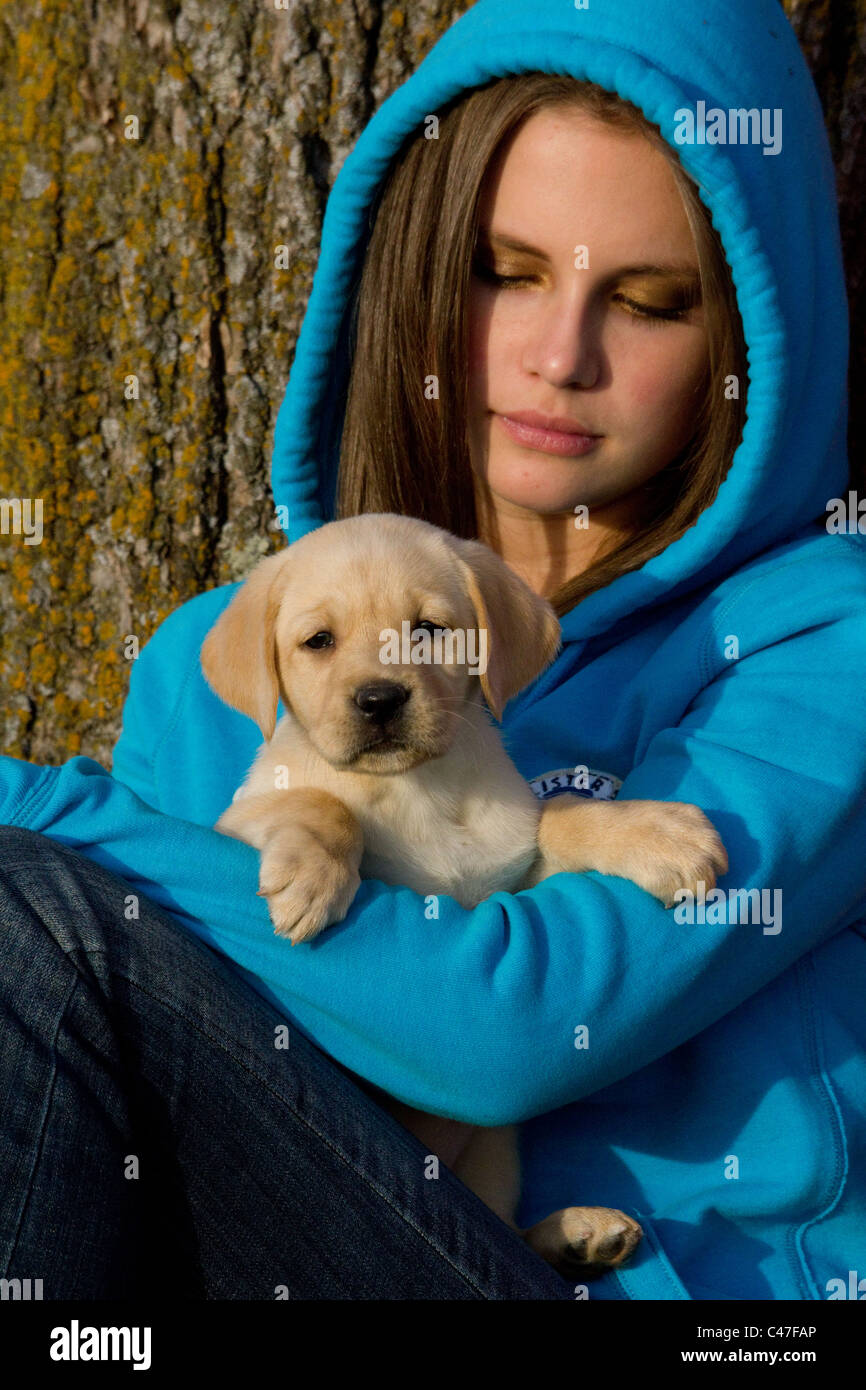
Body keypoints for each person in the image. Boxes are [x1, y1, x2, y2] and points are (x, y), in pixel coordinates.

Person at [1, 0, 864, 1302]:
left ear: (752, 343)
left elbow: (504, 1034)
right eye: (505, 273)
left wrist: (71, 828)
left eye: (646, 301)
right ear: (412, 265)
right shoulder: (219, 655)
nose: (558, 355)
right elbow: (167, 1061)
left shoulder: (818, 644)